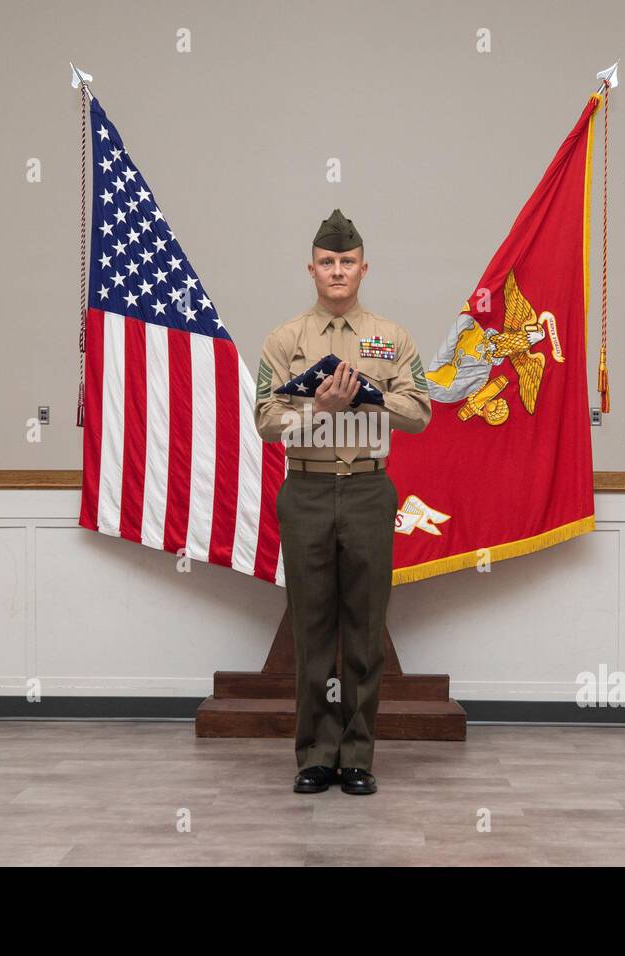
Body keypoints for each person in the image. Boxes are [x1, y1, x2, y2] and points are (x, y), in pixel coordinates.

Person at [254, 209, 431, 795]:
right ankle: (314, 755)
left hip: (367, 491)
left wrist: (367, 398)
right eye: (327, 263)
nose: (337, 271)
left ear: (363, 269)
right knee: (312, 627)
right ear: (311, 269)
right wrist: (319, 410)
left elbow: (422, 412)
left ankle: (357, 755)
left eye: (347, 262)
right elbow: (265, 421)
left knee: (363, 626)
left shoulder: (392, 337)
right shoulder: (285, 340)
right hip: (305, 491)